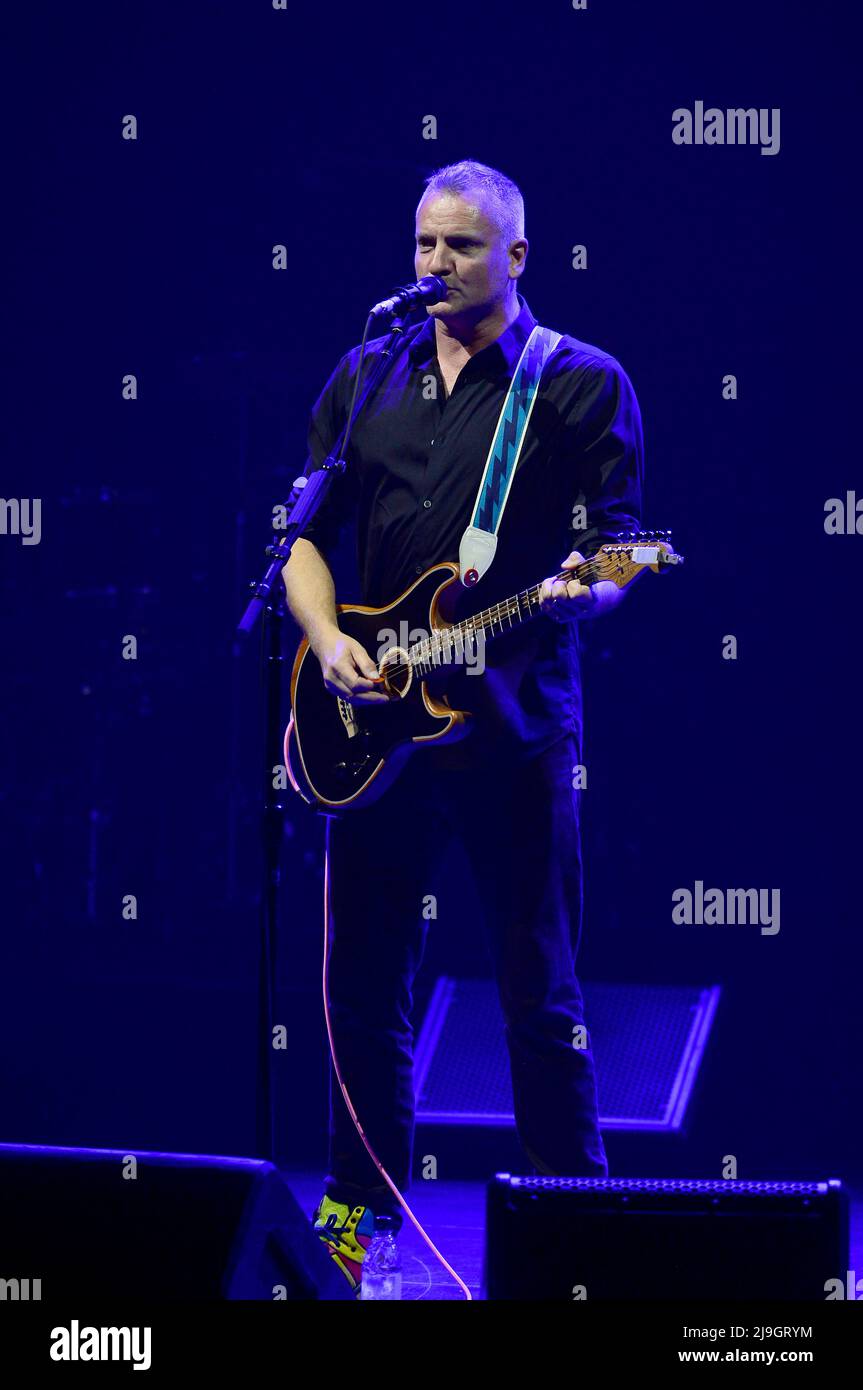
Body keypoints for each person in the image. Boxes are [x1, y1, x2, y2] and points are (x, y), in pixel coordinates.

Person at [281, 159, 643, 1293]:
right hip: (374, 733)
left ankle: (569, 1247)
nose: (433, 265)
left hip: (512, 730)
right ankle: (359, 1243)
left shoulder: (575, 382)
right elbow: (302, 537)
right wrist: (328, 639)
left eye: (460, 248)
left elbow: (620, 549)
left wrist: (600, 587)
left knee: (536, 992)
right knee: (359, 996)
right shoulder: (366, 371)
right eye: (423, 244)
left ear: (515, 257)